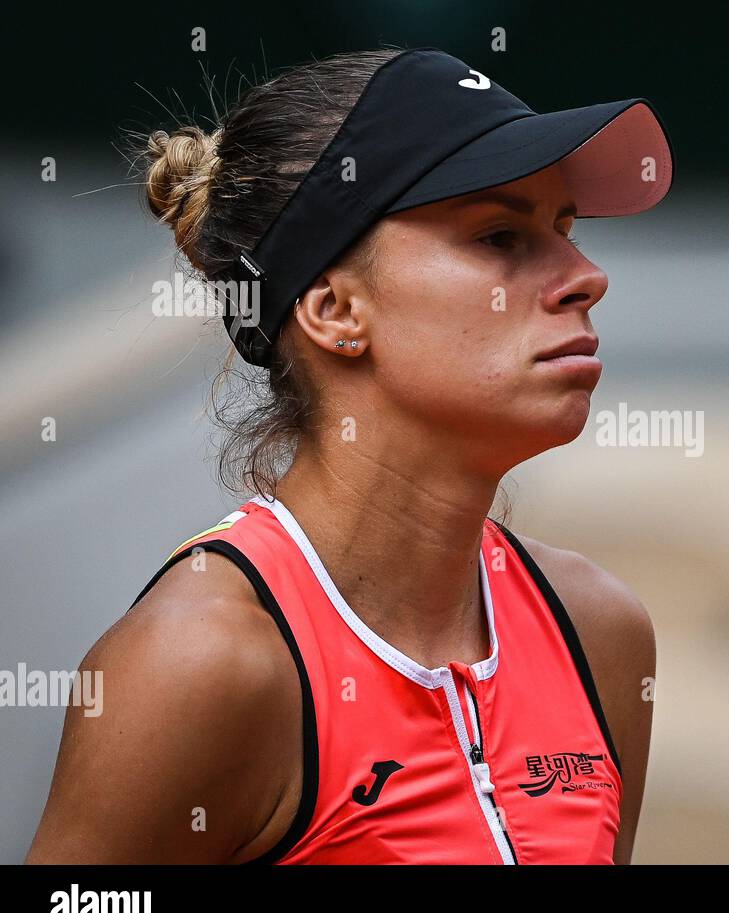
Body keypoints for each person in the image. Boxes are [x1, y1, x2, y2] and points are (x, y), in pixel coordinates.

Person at [26, 47, 674, 864]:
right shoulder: (197, 665)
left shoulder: (601, 632)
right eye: (501, 234)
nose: (586, 276)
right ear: (334, 309)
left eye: (565, 229)